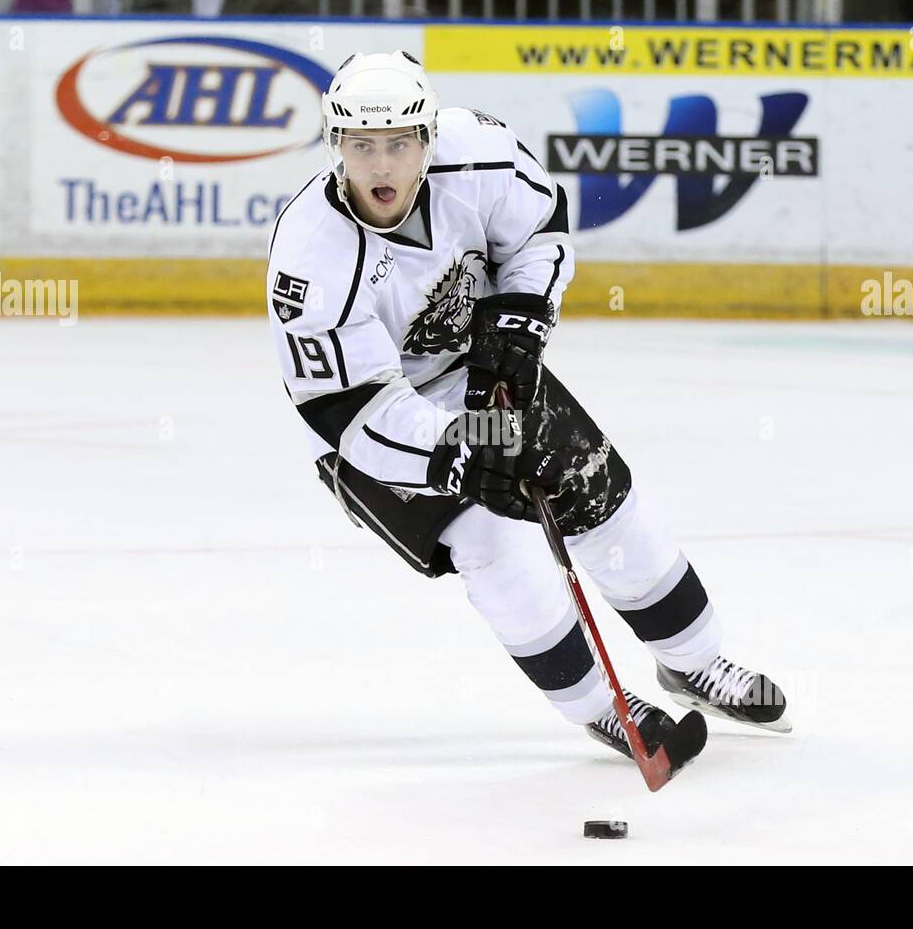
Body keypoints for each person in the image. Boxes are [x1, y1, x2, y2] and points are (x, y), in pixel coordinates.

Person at [266, 51, 788, 771]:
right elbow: (346, 403)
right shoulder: (310, 254)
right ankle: (608, 709)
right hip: (395, 422)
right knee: (494, 546)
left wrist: (518, 319)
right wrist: (454, 453)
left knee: (602, 496)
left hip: (486, 374)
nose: (380, 166)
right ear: (336, 147)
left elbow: (541, 229)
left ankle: (694, 661)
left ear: (427, 138)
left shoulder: (477, 153)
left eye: (398, 143)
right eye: (361, 146)